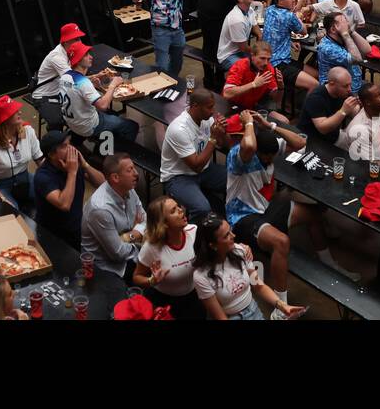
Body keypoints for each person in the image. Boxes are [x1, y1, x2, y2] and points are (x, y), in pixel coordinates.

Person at [227, 110, 342, 305]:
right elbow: (248, 144)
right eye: (266, 158)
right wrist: (248, 123)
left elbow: (300, 143)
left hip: (267, 208)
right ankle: (281, 305)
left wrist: (269, 126)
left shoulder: (267, 147)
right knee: (282, 242)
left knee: (315, 214)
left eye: (272, 157)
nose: (270, 161)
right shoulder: (239, 157)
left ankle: (329, 263)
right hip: (243, 218)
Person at [192, 213, 304, 320]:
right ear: (213, 245)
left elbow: (259, 286)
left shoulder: (240, 251)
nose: (233, 236)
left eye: (230, 230)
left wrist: (282, 306)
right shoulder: (201, 276)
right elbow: (220, 317)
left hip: (253, 309)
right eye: (226, 235)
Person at [81, 152, 147, 295]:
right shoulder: (101, 209)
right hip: (107, 267)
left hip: (131, 253)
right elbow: (117, 254)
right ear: (115, 177)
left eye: (134, 168)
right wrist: (136, 234)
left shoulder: (129, 189)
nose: (136, 174)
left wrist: (126, 236)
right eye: (129, 170)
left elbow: (145, 219)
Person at [161, 89, 232, 217]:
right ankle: (195, 234)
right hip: (178, 176)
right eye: (209, 108)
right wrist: (213, 138)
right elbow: (196, 166)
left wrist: (223, 131)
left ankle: (227, 216)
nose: (213, 111)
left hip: (204, 170)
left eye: (213, 107)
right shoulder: (179, 129)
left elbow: (225, 144)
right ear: (195, 107)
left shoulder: (206, 118)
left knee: (237, 180)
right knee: (202, 209)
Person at [133, 196, 202, 319]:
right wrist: (152, 281)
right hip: (163, 303)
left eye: (178, 207)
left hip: (192, 297)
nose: (181, 210)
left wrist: (241, 247)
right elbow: (137, 277)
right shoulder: (151, 247)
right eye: (173, 211)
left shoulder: (194, 232)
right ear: (164, 224)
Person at [58, 40, 137, 147]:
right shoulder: (84, 83)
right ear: (78, 60)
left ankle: (105, 144)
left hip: (72, 123)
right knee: (131, 126)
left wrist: (96, 85)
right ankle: (115, 157)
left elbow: (77, 90)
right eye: (86, 55)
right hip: (89, 126)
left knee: (113, 114)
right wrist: (113, 85)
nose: (91, 57)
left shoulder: (65, 76)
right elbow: (103, 106)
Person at [33, 130, 103, 247]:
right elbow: (64, 204)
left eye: (69, 143)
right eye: (65, 146)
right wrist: (72, 172)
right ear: (52, 154)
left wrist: (85, 165)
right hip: (53, 236)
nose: (71, 149)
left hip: (76, 227)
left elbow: (101, 183)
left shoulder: (73, 164)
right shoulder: (43, 176)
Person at [0, 94, 41, 212]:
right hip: (0, 184)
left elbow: (39, 159)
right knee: (11, 210)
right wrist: (1, 197)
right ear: (5, 118)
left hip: (24, 177)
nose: (20, 113)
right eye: (15, 112)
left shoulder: (27, 130)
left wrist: (52, 178)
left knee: (48, 195)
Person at [296, 65, 361, 147]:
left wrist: (360, 104)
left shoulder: (344, 92)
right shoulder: (316, 97)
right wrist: (343, 111)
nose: (349, 89)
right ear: (332, 84)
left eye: (350, 85)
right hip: (313, 142)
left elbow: (354, 112)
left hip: (334, 137)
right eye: (345, 86)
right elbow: (323, 128)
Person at [215, 0, 257, 71]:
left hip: (241, 52)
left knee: (262, 62)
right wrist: (258, 51)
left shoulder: (250, 10)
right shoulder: (236, 19)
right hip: (229, 55)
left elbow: (256, 28)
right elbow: (244, 47)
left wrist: (260, 39)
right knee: (247, 69)